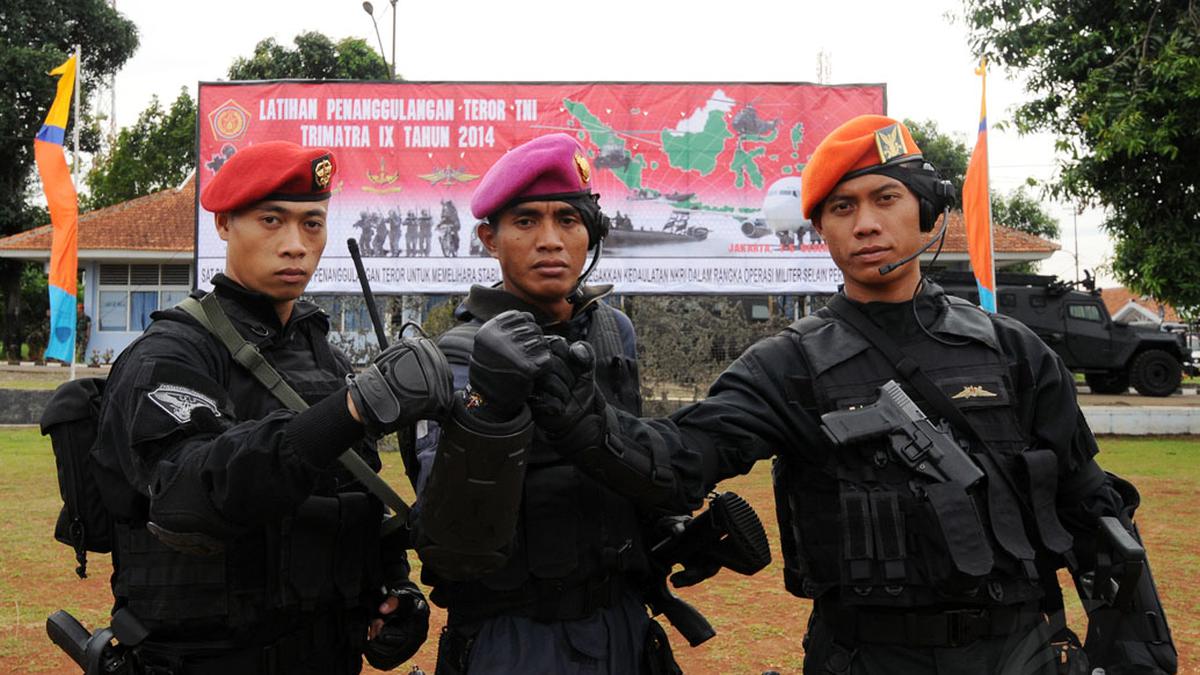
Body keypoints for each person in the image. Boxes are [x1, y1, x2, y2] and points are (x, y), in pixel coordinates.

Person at [522, 116, 1176, 674]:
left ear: (926, 209)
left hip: (1020, 650)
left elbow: (1094, 510)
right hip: (863, 655)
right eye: (842, 207)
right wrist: (582, 417)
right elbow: (678, 459)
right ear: (821, 231)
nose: (866, 223)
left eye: (885, 198)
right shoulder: (786, 366)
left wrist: (1137, 653)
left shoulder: (1017, 353)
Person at [93, 141, 463, 674]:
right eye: (272, 220)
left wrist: (394, 591)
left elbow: (357, 497)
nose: (295, 245)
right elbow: (188, 491)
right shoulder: (171, 355)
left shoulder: (326, 360)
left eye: (312, 224)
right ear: (224, 223)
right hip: (207, 660)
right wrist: (349, 410)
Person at [410, 133, 705, 674]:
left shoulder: (614, 333)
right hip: (516, 636)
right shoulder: (453, 355)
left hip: (624, 623)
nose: (551, 240)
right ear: (489, 239)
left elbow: (627, 457)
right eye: (526, 222)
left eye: (568, 220)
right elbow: (449, 538)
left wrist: (673, 527)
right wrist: (488, 405)